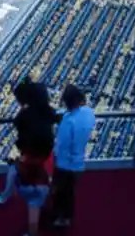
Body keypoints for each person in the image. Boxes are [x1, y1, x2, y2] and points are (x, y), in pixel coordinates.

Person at [0, 80, 58, 236]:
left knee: (14, 170)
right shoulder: (49, 113)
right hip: (46, 166)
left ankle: (4, 196)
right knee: (37, 199)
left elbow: (19, 130)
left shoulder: (25, 116)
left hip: (30, 169)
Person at [51, 85, 95, 231]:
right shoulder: (89, 113)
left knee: (60, 192)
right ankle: (67, 218)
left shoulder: (68, 121)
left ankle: (60, 220)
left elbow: (61, 144)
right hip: (79, 161)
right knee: (70, 192)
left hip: (65, 163)